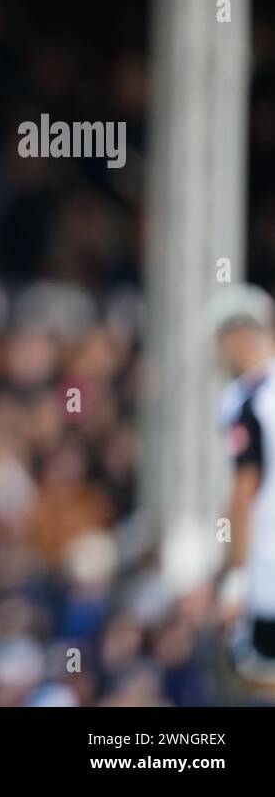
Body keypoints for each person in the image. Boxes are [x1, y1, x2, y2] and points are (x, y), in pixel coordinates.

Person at [210, 283, 275, 695]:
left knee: (252, 679)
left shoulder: (248, 399)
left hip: (267, 568)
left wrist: (235, 575)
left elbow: (244, 491)